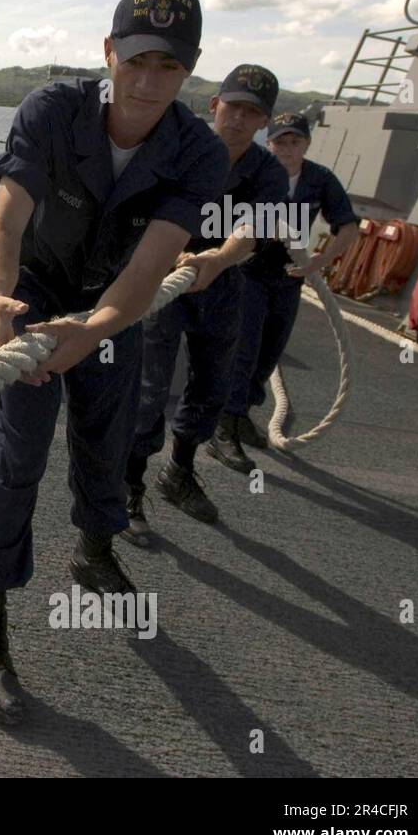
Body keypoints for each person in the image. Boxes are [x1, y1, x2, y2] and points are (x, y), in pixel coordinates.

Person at [0, 0, 228, 727]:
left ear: (190, 72)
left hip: (112, 306)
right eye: (135, 58)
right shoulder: (53, 112)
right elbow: (5, 225)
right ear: (108, 53)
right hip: (36, 296)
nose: (147, 81)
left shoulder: (197, 152)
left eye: (168, 67)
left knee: (107, 442)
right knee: (18, 457)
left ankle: (92, 550)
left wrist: (96, 329)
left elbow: (149, 272)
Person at [122, 64, 288, 545]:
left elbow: (254, 230)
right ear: (215, 104)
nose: (238, 118)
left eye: (252, 112)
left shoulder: (267, 172)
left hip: (221, 283)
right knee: (151, 389)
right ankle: (130, 486)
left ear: (264, 123)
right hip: (162, 281)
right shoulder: (179, 149)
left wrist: (216, 258)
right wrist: (174, 253)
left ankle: (179, 470)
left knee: (213, 383)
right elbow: (146, 210)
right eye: (233, 106)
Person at [214, 111, 359, 461]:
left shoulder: (319, 180)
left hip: (288, 276)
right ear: (269, 142)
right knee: (244, 347)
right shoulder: (256, 172)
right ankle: (223, 428)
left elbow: (348, 226)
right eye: (281, 141)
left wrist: (317, 263)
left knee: (271, 349)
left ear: (307, 144)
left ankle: (242, 411)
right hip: (248, 270)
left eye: (295, 141)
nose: (288, 148)